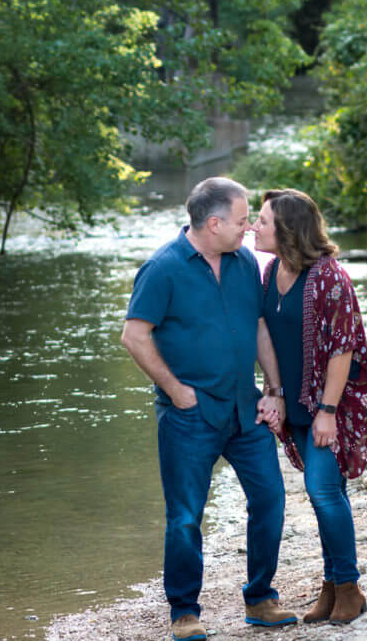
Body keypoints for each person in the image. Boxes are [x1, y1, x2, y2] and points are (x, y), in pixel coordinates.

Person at [121, 177, 299, 641]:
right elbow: (134, 336)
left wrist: (274, 389)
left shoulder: (244, 262)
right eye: (242, 221)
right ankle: (184, 611)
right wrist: (175, 389)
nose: (248, 230)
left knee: (271, 501)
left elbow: (259, 326)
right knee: (184, 516)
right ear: (213, 223)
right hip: (188, 416)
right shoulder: (162, 268)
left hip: (245, 410)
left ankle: (260, 597)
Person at [252, 187, 367, 625]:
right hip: (297, 403)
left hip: (331, 404)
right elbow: (268, 338)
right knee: (327, 494)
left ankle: (349, 587)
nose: (254, 226)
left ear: (287, 229)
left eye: (262, 221)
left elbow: (344, 349)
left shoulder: (330, 277)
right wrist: (275, 393)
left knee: (323, 490)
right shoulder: (270, 274)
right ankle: (331, 587)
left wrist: (327, 409)